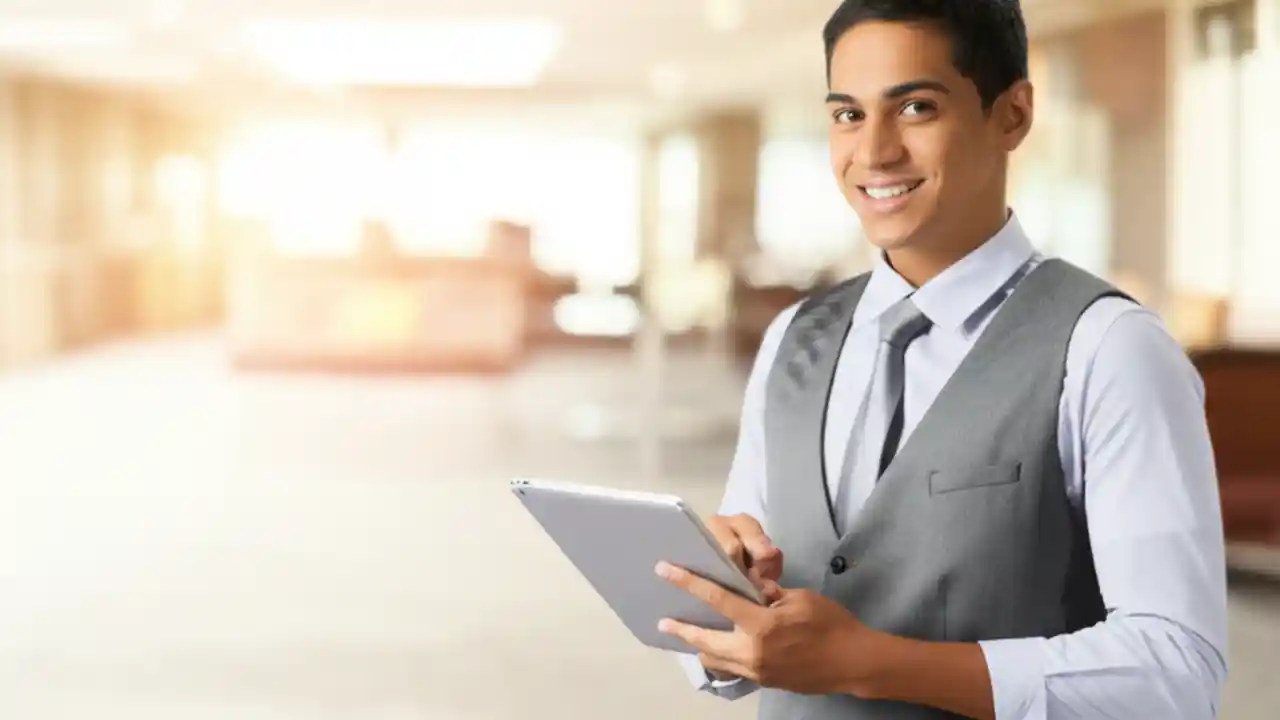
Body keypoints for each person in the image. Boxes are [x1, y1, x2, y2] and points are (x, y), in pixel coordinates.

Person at [653, 1, 1228, 719]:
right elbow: (741, 637)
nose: (873, 152)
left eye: (916, 107)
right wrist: (722, 599)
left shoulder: (1111, 349)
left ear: (1012, 114)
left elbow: (1176, 673)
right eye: (847, 115)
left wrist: (875, 665)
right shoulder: (793, 336)